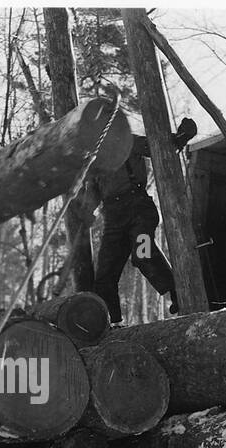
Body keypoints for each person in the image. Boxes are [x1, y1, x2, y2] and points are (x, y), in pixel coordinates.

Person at [90, 116, 198, 324]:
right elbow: (92, 194)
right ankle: (110, 322)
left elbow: (160, 147)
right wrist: (84, 210)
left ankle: (178, 293)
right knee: (104, 274)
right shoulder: (94, 160)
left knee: (143, 254)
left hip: (137, 208)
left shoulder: (127, 142)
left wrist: (181, 138)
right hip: (113, 217)